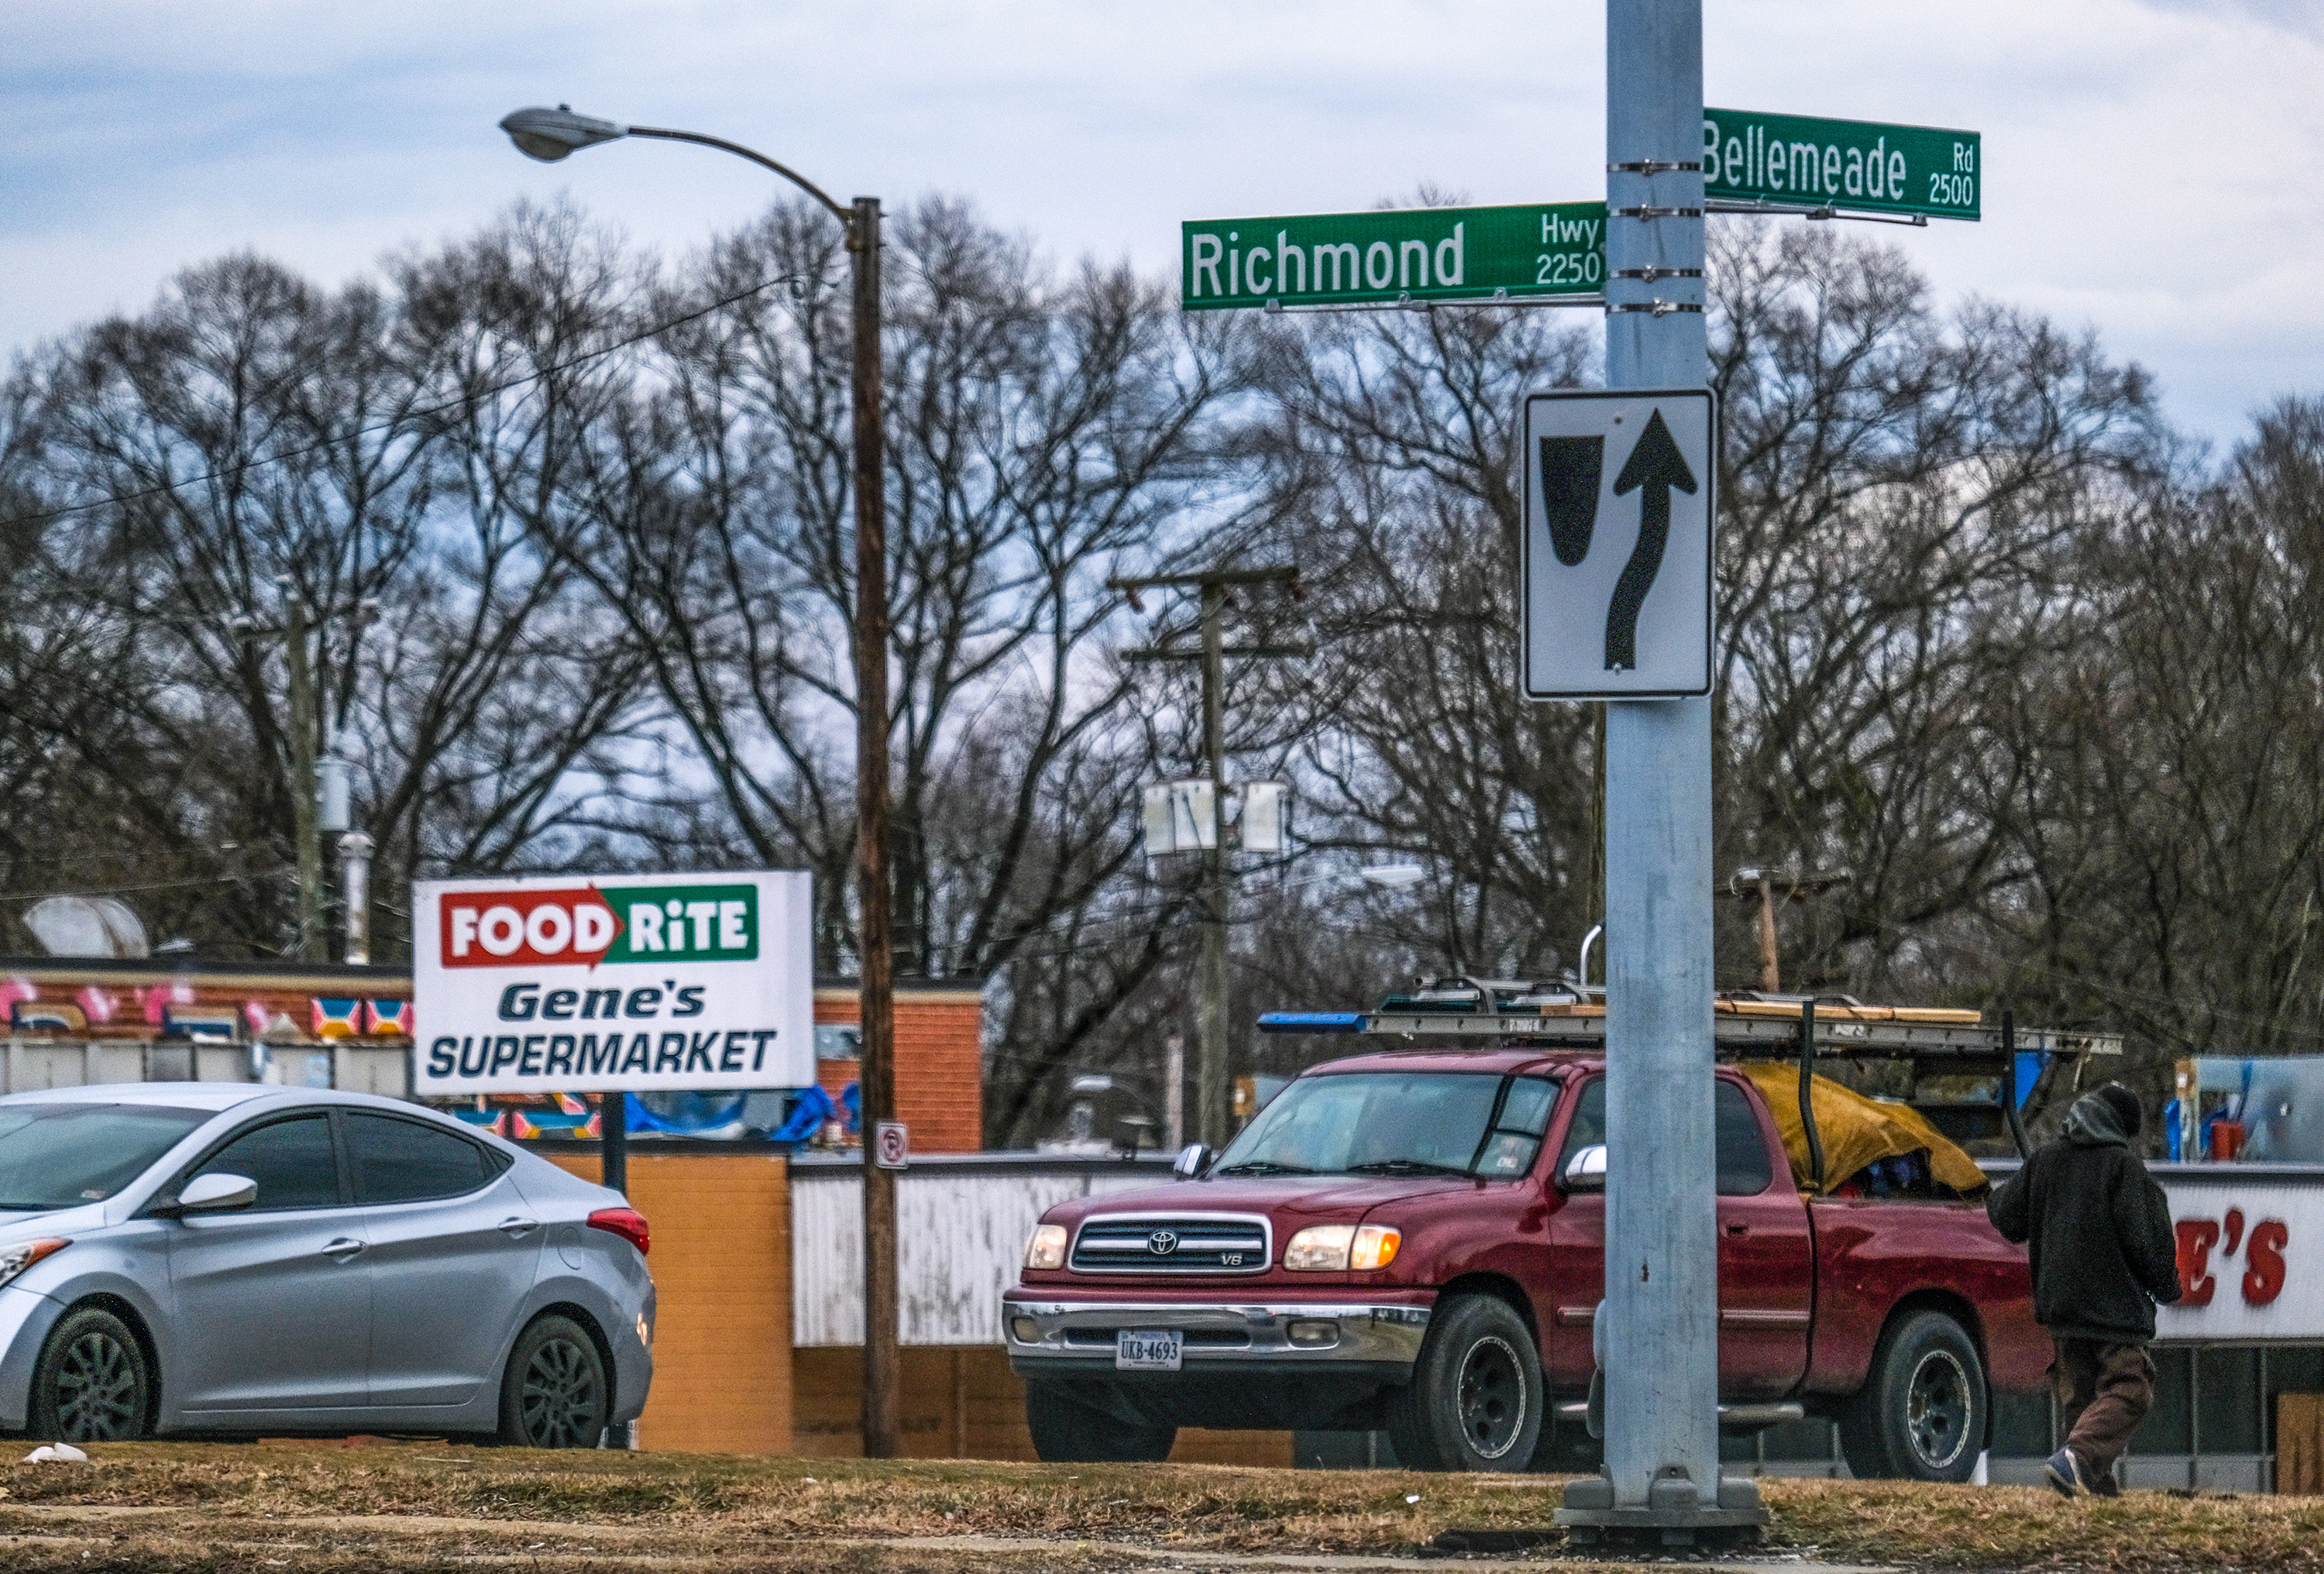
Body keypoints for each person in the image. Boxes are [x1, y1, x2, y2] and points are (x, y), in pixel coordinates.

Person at [1987, 1081, 2181, 1497]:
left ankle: (2092, 1493)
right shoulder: (2121, 1168)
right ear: (2119, 1128)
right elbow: (2148, 1244)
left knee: (2084, 1403)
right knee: (2132, 1388)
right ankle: (2074, 1459)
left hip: (2061, 1311)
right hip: (2113, 1312)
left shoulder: (2046, 1161)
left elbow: (2005, 1217)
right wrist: (2167, 1287)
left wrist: (1996, 1193)